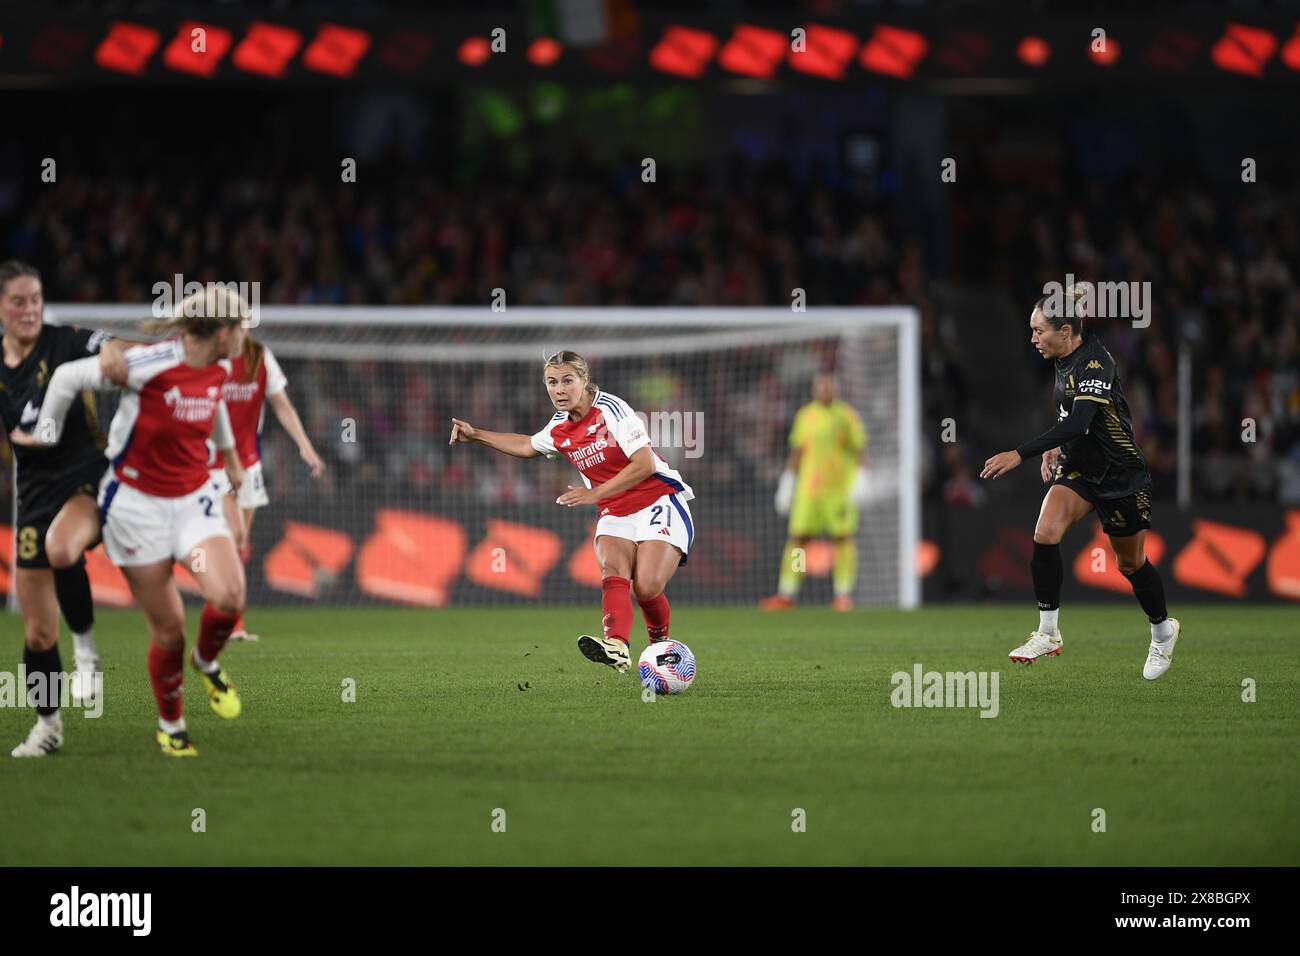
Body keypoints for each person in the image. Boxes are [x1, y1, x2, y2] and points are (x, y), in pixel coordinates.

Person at [17, 287, 250, 755]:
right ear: (222, 331)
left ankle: (205, 664)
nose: (246, 334)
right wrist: (46, 433)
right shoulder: (146, 365)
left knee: (227, 597)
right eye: (242, 325)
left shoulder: (222, 365)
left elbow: (214, 399)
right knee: (170, 630)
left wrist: (227, 455)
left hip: (191, 504)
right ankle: (171, 724)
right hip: (135, 510)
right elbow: (65, 377)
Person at [981, 284, 1181, 680]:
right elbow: (1067, 414)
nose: (1033, 338)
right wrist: (1058, 446)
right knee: (1045, 531)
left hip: (1120, 474)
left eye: (1040, 331)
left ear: (1066, 330)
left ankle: (1162, 632)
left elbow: (1079, 420)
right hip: (1080, 469)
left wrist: (1021, 453)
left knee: (1131, 563)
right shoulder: (1063, 354)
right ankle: (1048, 633)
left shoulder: (1095, 363)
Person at [448, 350, 694, 672]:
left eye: (567, 381)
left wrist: (595, 494)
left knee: (647, 587)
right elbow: (527, 446)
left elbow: (645, 463)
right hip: (615, 509)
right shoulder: (559, 426)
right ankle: (617, 645)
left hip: (657, 499)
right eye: (552, 382)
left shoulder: (612, 409)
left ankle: (660, 646)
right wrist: (477, 435)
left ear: (584, 380)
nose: (559, 390)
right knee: (612, 569)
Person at [0, 260, 131, 757]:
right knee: (36, 632)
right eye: (18, 301)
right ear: (0, 307)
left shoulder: (65, 340)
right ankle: (48, 727)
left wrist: (120, 353)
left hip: (85, 479)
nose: (30, 309)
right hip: (33, 495)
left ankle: (88, 653)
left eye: (35, 298)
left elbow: (114, 346)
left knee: (61, 547)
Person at [209, 333, 324, 641]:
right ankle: (225, 621)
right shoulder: (208, 357)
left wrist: (304, 445)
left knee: (241, 540)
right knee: (232, 535)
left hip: (249, 462)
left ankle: (232, 621)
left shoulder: (261, 358)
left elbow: (281, 404)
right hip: (212, 462)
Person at [761, 372, 869, 611]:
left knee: (842, 539)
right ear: (814, 390)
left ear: (835, 388)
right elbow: (798, 451)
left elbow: (859, 450)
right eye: (819, 387)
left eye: (827, 386)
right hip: (809, 490)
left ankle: (843, 595)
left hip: (838, 490)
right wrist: (788, 481)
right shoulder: (805, 415)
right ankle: (787, 594)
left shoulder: (847, 416)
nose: (823, 391)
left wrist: (862, 478)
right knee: (799, 540)